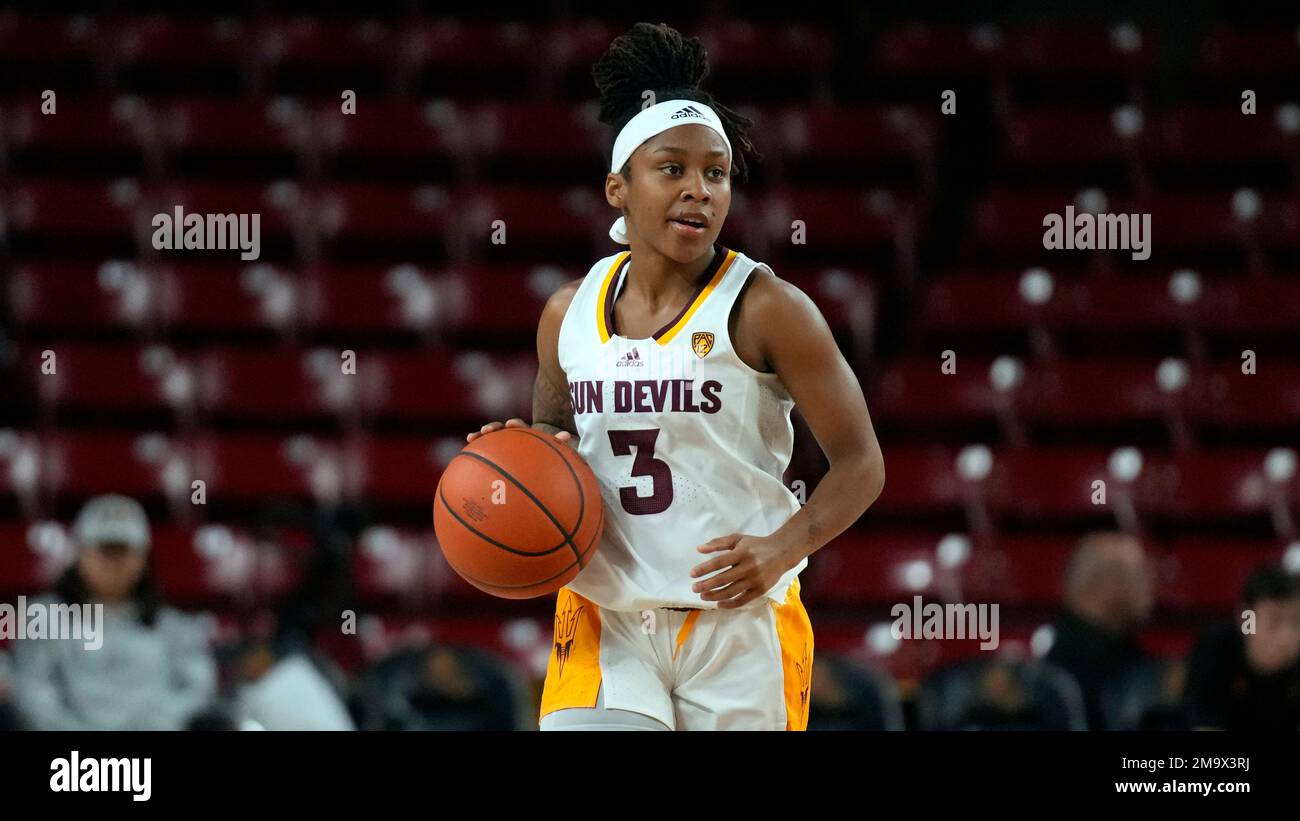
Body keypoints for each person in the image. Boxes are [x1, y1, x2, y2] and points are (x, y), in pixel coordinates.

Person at [465, 23, 885, 730]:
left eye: (715, 173)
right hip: (606, 619)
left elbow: (862, 463)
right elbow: (553, 436)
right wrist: (520, 457)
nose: (699, 191)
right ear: (617, 187)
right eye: (673, 169)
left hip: (739, 625)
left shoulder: (768, 308)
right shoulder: (567, 313)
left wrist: (783, 546)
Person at [10, 494, 218, 730]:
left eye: (123, 551)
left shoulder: (175, 626)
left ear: (142, 558)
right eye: (104, 550)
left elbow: (198, 687)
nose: (114, 562)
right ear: (80, 554)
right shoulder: (43, 618)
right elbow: (32, 691)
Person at [1044, 531, 1154, 729]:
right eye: (1139, 574)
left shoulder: (1127, 653)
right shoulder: (1068, 670)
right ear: (1103, 584)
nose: (1151, 585)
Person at [1183, 563, 1300, 730]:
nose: (1287, 637)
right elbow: (1203, 725)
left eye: (1296, 622)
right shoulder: (1216, 649)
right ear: (1246, 619)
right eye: (1274, 621)